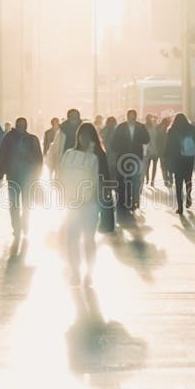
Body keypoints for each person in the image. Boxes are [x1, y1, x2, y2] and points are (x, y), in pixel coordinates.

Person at [57, 122, 111, 286]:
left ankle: (89, 272)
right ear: (78, 137)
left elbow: (103, 179)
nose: (84, 138)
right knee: (72, 238)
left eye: (87, 136)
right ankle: (75, 272)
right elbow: (61, 176)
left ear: (92, 138)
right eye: (81, 135)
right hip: (72, 204)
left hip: (90, 204)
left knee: (88, 239)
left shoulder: (97, 156)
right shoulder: (69, 154)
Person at [0, 117, 43, 237]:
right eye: (19, 125)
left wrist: (37, 174)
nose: (21, 127)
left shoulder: (32, 139)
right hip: (13, 176)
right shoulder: (8, 138)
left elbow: (38, 158)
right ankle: (16, 227)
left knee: (26, 203)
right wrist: (0, 172)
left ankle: (25, 223)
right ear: (16, 125)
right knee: (14, 204)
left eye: (23, 125)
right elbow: (2, 154)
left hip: (28, 177)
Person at [112, 109, 150, 212]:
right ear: (127, 116)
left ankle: (131, 200)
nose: (132, 119)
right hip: (122, 157)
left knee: (133, 179)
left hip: (136, 157)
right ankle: (122, 201)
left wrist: (139, 139)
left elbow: (147, 139)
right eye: (130, 116)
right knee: (122, 179)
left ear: (136, 117)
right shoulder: (121, 127)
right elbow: (114, 142)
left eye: (134, 117)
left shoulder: (140, 127)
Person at [164, 114, 195, 214]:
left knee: (178, 183)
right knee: (188, 179)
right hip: (189, 158)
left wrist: (166, 157)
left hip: (177, 159)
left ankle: (180, 207)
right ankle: (189, 196)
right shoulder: (192, 128)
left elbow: (168, 145)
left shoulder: (172, 130)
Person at [143, 115, 159, 187]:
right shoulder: (147, 127)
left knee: (149, 165)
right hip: (150, 149)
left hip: (152, 148)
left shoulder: (154, 126)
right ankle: (149, 179)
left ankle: (150, 179)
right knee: (149, 165)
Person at [157, 117, 171, 187]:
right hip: (166, 150)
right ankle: (167, 179)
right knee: (167, 165)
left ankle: (166, 180)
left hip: (161, 150)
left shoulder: (158, 129)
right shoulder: (168, 130)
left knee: (163, 166)